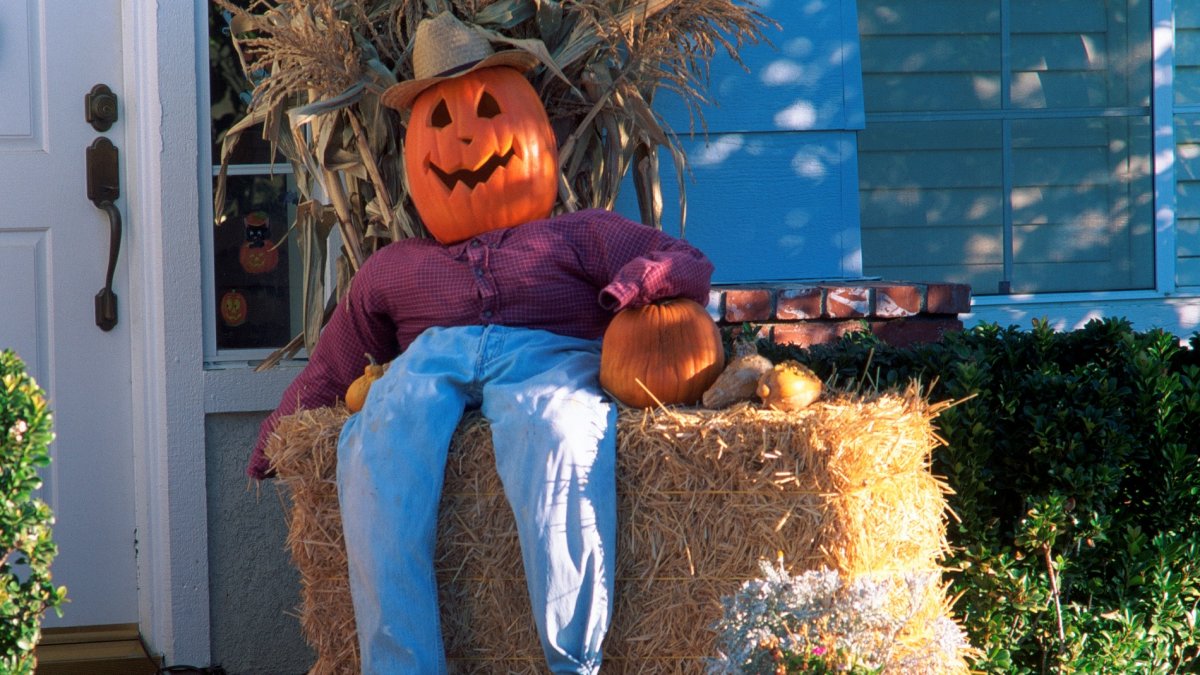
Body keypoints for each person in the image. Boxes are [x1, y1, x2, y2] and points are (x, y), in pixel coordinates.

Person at [247, 12, 714, 674]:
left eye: (489, 109)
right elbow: (336, 359)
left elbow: (684, 260)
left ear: (538, 134)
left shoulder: (577, 233)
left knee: (554, 432)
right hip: (429, 362)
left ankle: (572, 659)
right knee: (378, 448)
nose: (464, 137)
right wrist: (279, 433)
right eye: (438, 121)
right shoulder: (396, 267)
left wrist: (629, 288)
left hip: (547, 357)